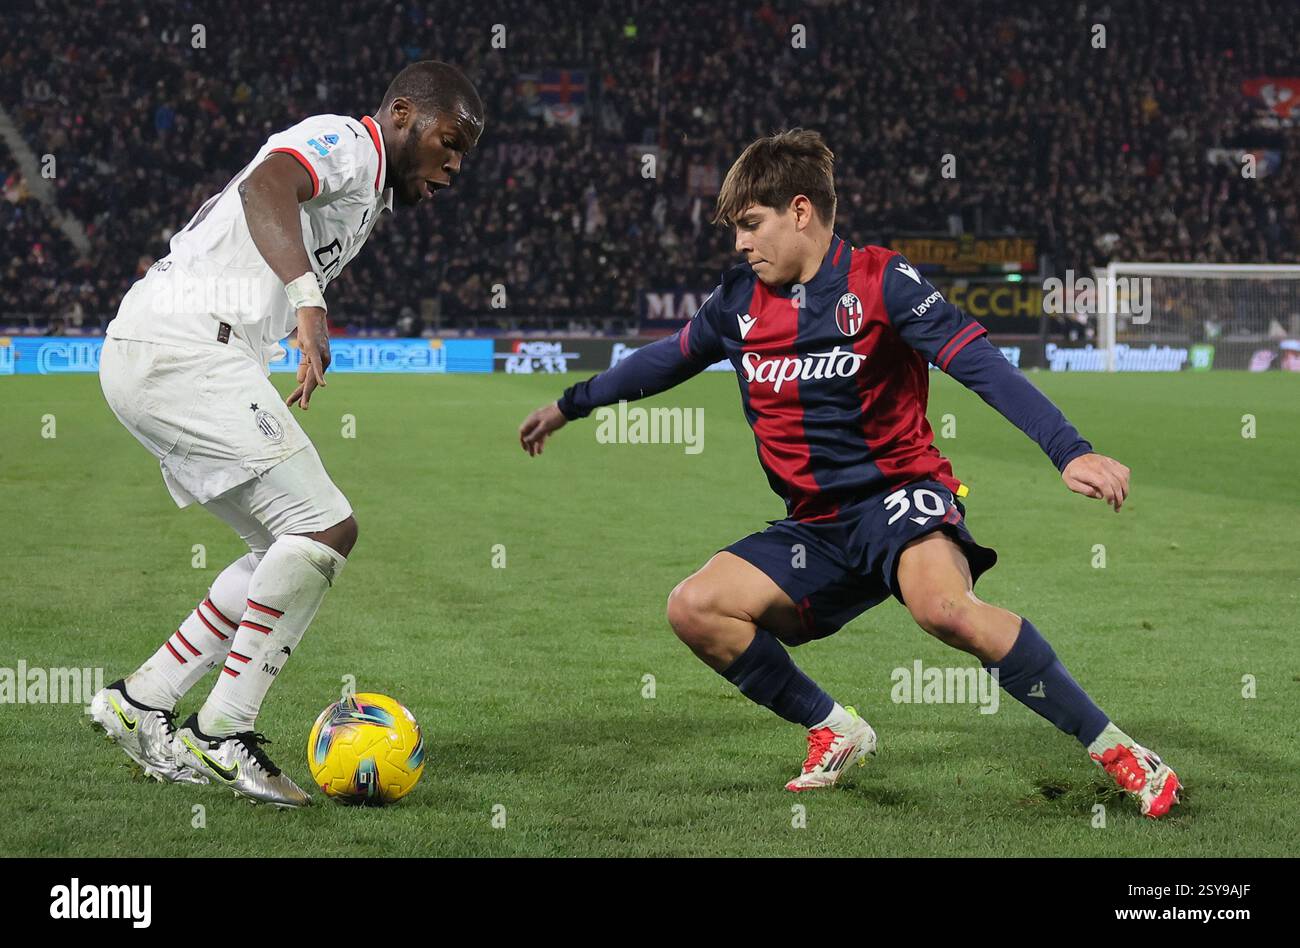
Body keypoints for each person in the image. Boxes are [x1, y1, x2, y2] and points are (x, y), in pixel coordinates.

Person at [518, 129, 1179, 818]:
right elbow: (666, 358)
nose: (741, 244)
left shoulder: (879, 282)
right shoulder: (739, 302)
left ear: (800, 211)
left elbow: (976, 360)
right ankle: (834, 727)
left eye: (751, 225)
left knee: (942, 608)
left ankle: (1119, 749)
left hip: (902, 499)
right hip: (816, 526)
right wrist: (573, 405)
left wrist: (1068, 448)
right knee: (695, 606)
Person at [90, 61, 484, 807]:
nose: (455, 165)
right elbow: (265, 186)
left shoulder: (369, 192)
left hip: (177, 350)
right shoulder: (348, 142)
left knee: (284, 551)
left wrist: (283, 342)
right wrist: (310, 307)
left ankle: (141, 701)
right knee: (327, 527)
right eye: (450, 141)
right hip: (183, 348)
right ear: (402, 113)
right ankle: (220, 731)